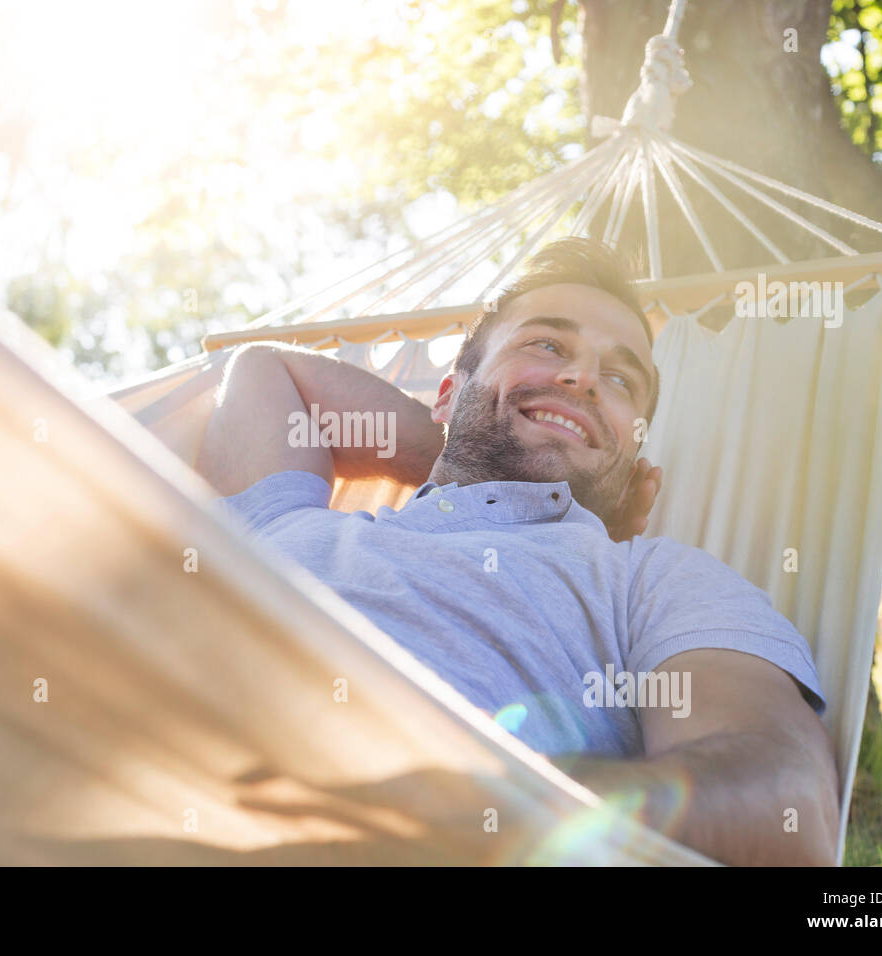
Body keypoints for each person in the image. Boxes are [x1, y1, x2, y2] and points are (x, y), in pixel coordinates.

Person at [197, 237, 840, 866]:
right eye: (548, 344)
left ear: (635, 450)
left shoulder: (651, 579)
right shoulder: (290, 526)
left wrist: (490, 806)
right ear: (448, 391)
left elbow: (789, 806)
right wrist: (466, 449)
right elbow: (263, 369)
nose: (583, 377)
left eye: (620, 379)